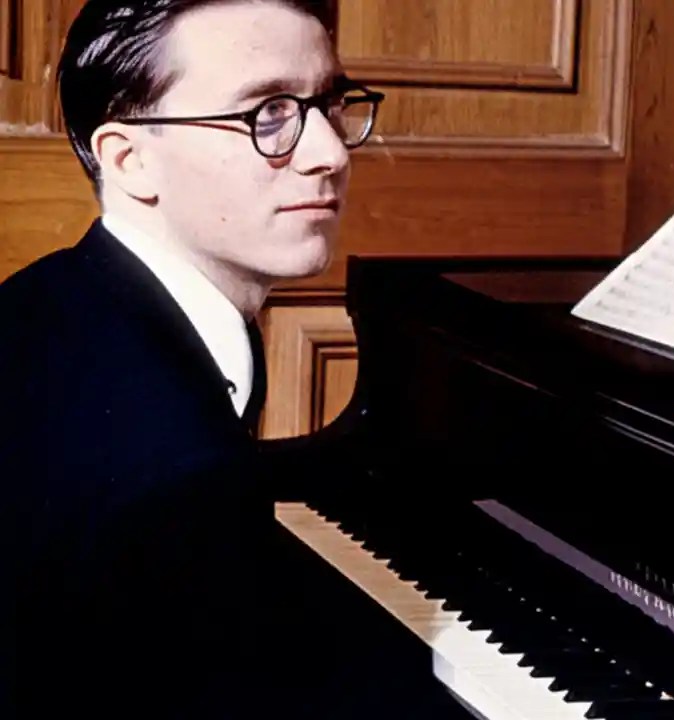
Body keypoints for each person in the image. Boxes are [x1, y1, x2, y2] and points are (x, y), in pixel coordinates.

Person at [0, 1, 461, 716]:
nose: (330, 153)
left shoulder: (54, 298)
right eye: (266, 113)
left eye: (327, 104)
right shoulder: (170, 478)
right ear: (130, 160)